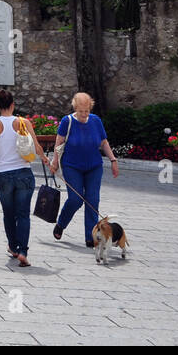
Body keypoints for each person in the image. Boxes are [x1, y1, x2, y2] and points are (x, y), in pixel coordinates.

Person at [0, 90, 52, 266]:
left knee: (8, 213)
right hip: (23, 173)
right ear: (13, 104)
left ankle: (12, 246)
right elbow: (36, 146)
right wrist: (45, 159)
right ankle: (23, 251)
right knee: (23, 214)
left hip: (3, 174)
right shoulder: (24, 122)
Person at [50, 92, 119, 248]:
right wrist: (54, 162)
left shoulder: (96, 121)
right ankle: (61, 223)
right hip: (72, 166)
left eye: (86, 111)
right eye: (81, 111)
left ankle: (91, 236)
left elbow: (104, 142)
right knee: (75, 199)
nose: (83, 114)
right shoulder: (66, 121)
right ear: (75, 107)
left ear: (90, 108)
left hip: (94, 167)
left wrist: (113, 160)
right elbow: (59, 142)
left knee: (92, 200)